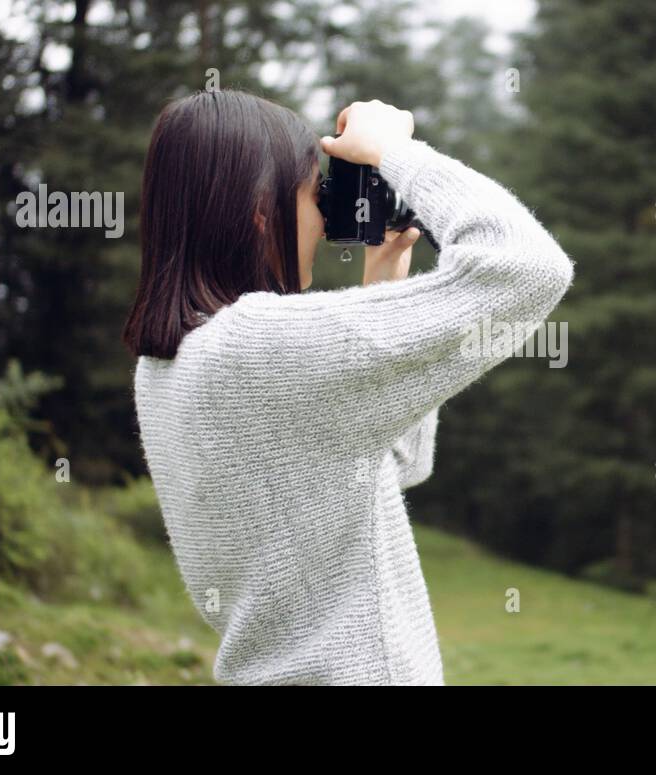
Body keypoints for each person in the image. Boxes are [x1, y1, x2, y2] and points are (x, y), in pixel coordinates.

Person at [122, 90, 574, 685]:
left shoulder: (166, 365)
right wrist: (397, 154)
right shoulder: (254, 343)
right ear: (262, 210)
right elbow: (527, 267)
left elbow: (395, 463)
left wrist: (380, 286)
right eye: (316, 194)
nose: (327, 218)